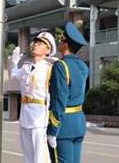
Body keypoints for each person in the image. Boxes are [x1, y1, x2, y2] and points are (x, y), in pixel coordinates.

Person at [8, 31, 57, 163]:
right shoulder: (26, 66)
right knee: (28, 156)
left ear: (48, 50)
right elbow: (13, 76)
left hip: (39, 116)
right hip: (25, 114)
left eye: (41, 43)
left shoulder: (50, 68)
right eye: (36, 42)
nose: (36, 45)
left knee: (40, 157)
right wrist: (13, 61)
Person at [47, 22, 89, 163]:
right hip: (78, 122)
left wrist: (53, 129)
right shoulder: (82, 65)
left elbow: (59, 99)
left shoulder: (60, 65)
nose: (59, 42)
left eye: (61, 40)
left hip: (64, 125)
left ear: (66, 44)